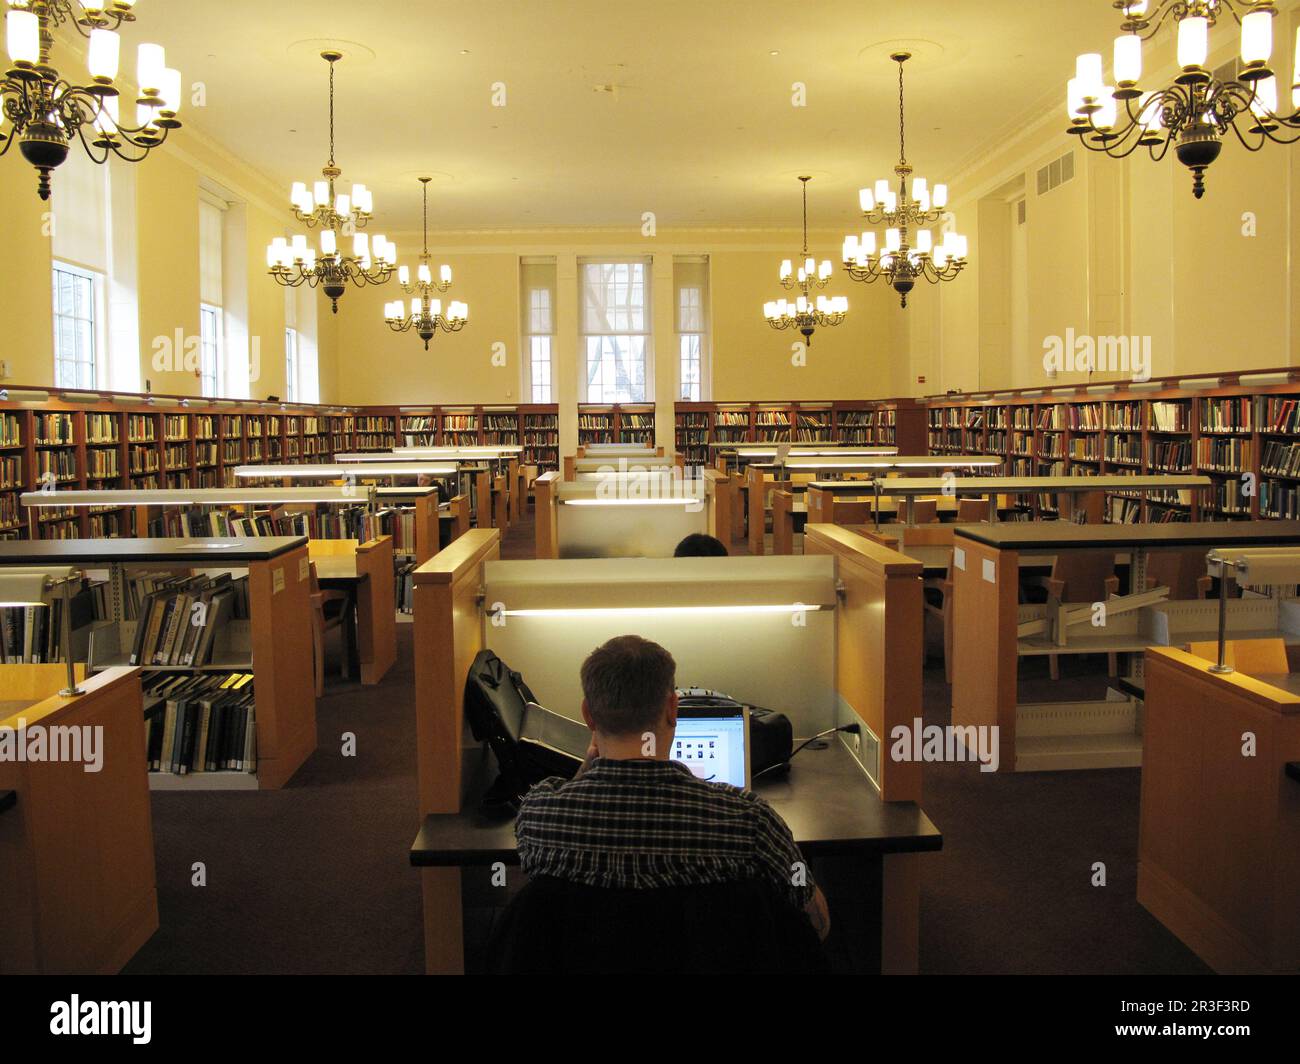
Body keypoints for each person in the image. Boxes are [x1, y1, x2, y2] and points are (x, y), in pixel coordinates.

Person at [515, 635, 830, 940]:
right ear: (672, 709)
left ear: (588, 715)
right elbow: (816, 924)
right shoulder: (750, 822)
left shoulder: (539, 815)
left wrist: (585, 772)